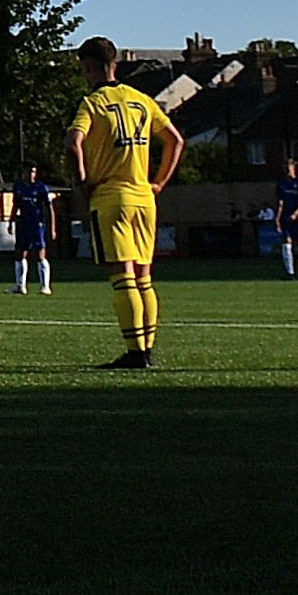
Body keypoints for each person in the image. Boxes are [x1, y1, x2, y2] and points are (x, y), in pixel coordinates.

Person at [70, 38, 183, 370]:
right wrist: (159, 182)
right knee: (144, 278)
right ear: (114, 65)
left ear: (87, 67)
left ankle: (135, 352)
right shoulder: (142, 100)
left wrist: (82, 182)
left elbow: (73, 142)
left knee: (123, 278)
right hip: (144, 197)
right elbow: (175, 140)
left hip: (111, 197)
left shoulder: (92, 103)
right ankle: (147, 349)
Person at [10, 158, 57, 295]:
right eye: (29, 171)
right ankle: (20, 286)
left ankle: (45, 286)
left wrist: (52, 228)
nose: (31, 174)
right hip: (23, 224)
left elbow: (50, 209)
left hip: (37, 224)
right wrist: (11, 221)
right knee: (20, 253)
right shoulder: (18, 186)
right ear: (24, 172)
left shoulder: (41, 188)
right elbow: (16, 204)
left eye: (34, 172)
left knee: (40, 253)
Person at [272, 159, 298, 281]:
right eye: (285, 167)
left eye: (288, 166)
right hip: (285, 217)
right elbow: (280, 203)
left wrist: (296, 214)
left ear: (293, 167)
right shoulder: (281, 184)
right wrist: (277, 218)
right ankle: (290, 274)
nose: (286, 169)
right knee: (286, 243)